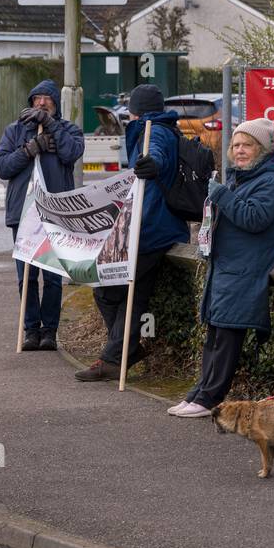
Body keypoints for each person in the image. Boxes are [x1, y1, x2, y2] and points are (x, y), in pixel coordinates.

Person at [169, 117, 274, 418]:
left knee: (227, 336)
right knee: (215, 333)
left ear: (263, 148)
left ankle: (210, 398)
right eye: (235, 145)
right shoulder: (242, 177)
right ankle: (199, 392)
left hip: (245, 269)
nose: (239, 150)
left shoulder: (272, 181)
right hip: (226, 267)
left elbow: (255, 218)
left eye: (247, 145)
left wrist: (221, 195)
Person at [75, 84, 186, 382]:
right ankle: (122, 351)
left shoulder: (154, 131)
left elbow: (157, 155)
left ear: (137, 111)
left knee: (107, 287)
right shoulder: (160, 127)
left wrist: (151, 165)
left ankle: (119, 353)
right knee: (130, 294)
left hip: (151, 229)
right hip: (154, 227)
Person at [0, 78, 85, 351]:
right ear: (30, 104)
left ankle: (50, 330)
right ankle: (30, 329)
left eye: (47, 100)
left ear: (55, 105)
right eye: (37, 99)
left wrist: (55, 129)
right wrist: (29, 149)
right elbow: (1, 167)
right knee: (27, 276)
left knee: (54, 275)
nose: (41, 103)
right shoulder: (14, 132)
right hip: (23, 214)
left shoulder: (69, 130)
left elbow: (72, 153)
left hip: (56, 213)